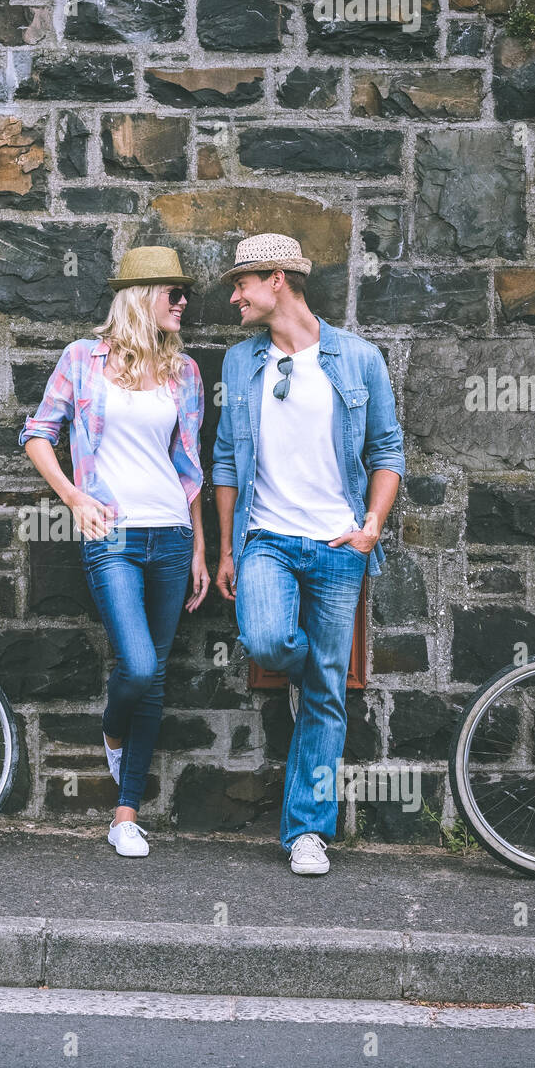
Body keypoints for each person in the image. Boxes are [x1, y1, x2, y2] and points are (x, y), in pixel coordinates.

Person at [212, 233, 405, 876]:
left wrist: (371, 525)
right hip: (265, 538)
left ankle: (307, 833)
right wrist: (226, 548)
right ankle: (307, 676)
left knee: (328, 693)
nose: (234, 295)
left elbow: (387, 452)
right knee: (267, 639)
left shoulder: (357, 359)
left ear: (278, 280)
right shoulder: (241, 364)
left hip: (338, 545)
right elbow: (224, 462)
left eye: (242, 282)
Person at [20, 246, 211, 857]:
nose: (183, 303)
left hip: (173, 536)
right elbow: (37, 433)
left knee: (154, 681)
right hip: (113, 535)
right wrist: (75, 498)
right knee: (138, 666)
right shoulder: (82, 359)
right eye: (173, 293)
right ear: (139, 296)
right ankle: (111, 727)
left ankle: (125, 814)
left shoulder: (185, 373)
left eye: (185, 295)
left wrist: (202, 550)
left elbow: (193, 471)